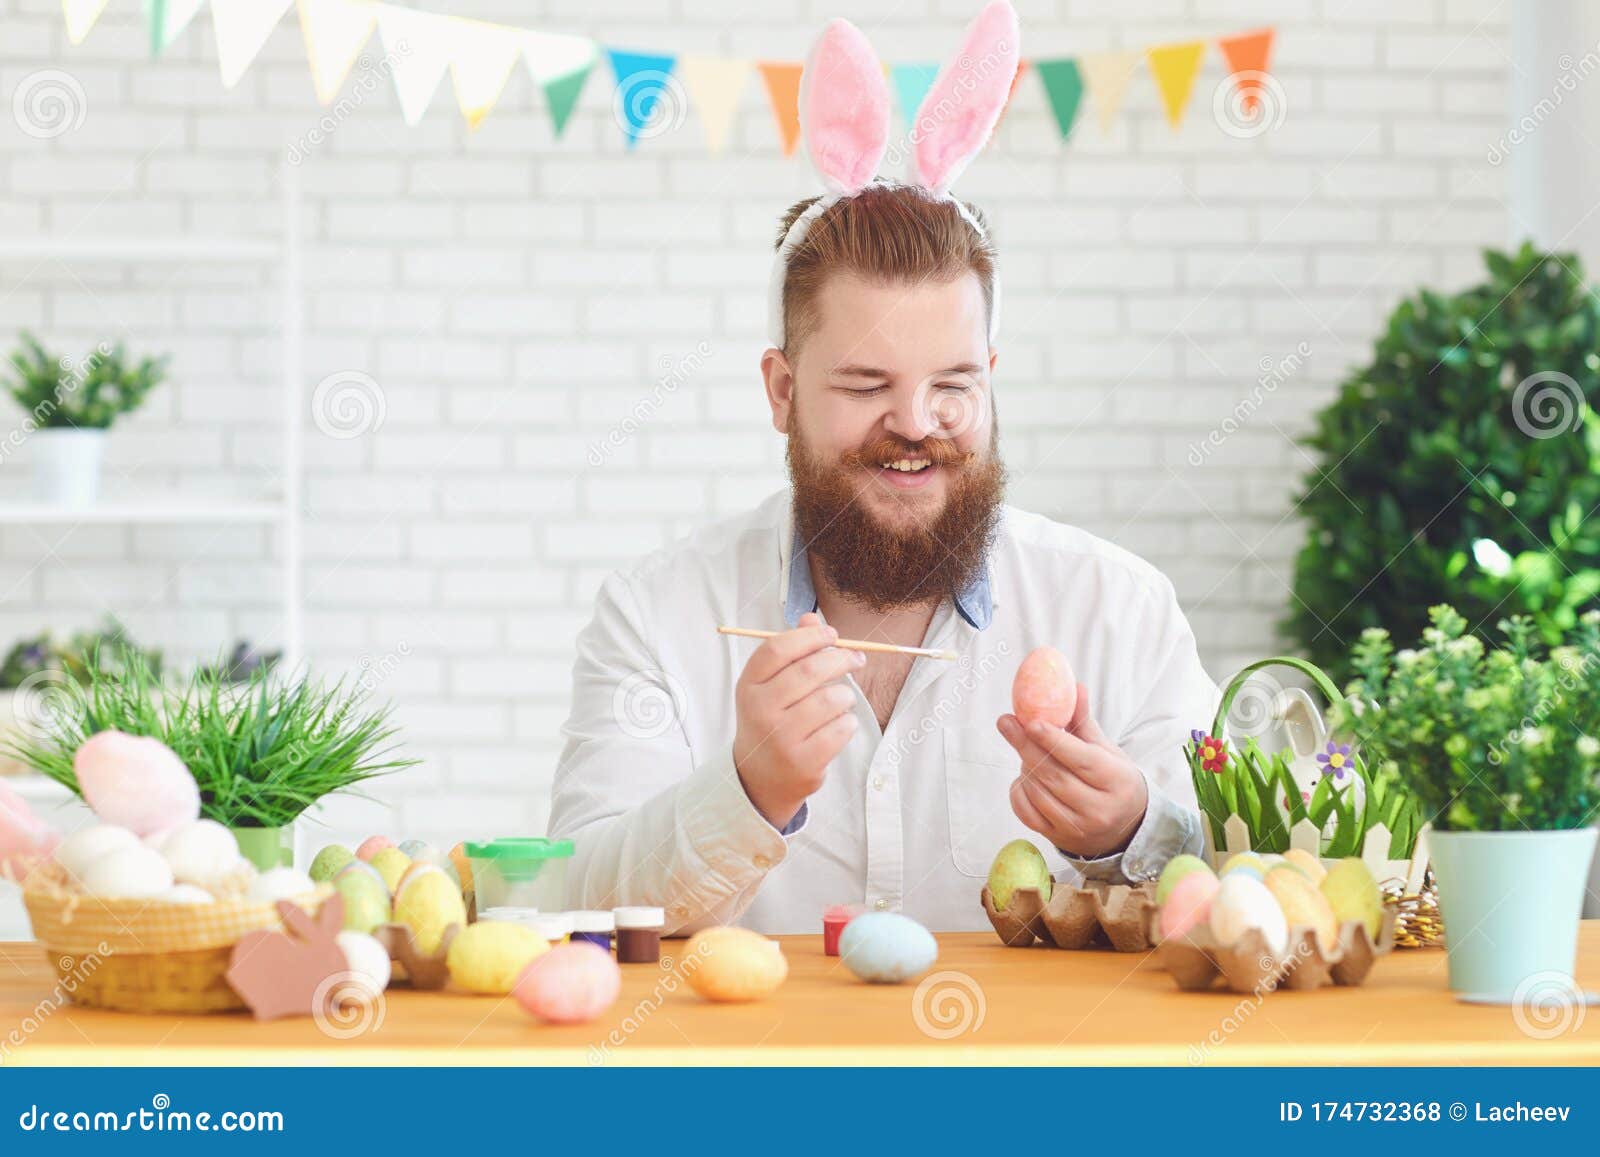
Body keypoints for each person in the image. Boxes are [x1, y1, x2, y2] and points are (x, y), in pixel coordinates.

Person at [548, 7, 1217, 934]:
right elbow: (576, 900)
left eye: (952, 383)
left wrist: (1135, 829)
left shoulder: (1119, 609)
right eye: (867, 384)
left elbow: (1251, 881)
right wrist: (747, 791)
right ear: (781, 390)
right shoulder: (659, 617)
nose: (915, 425)